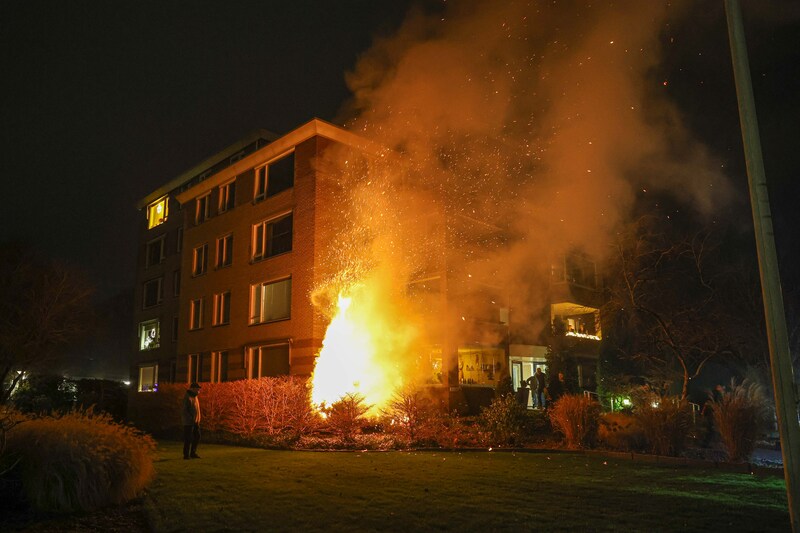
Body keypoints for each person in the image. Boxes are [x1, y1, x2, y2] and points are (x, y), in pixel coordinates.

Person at [182, 382, 202, 460]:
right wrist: (191, 419)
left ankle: (193, 453)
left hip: (195, 421)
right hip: (189, 422)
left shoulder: (195, 397)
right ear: (192, 389)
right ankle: (186, 455)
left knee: (197, 436)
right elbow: (185, 410)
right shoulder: (187, 397)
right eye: (197, 389)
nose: (199, 391)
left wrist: (197, 419)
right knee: (188, 438)